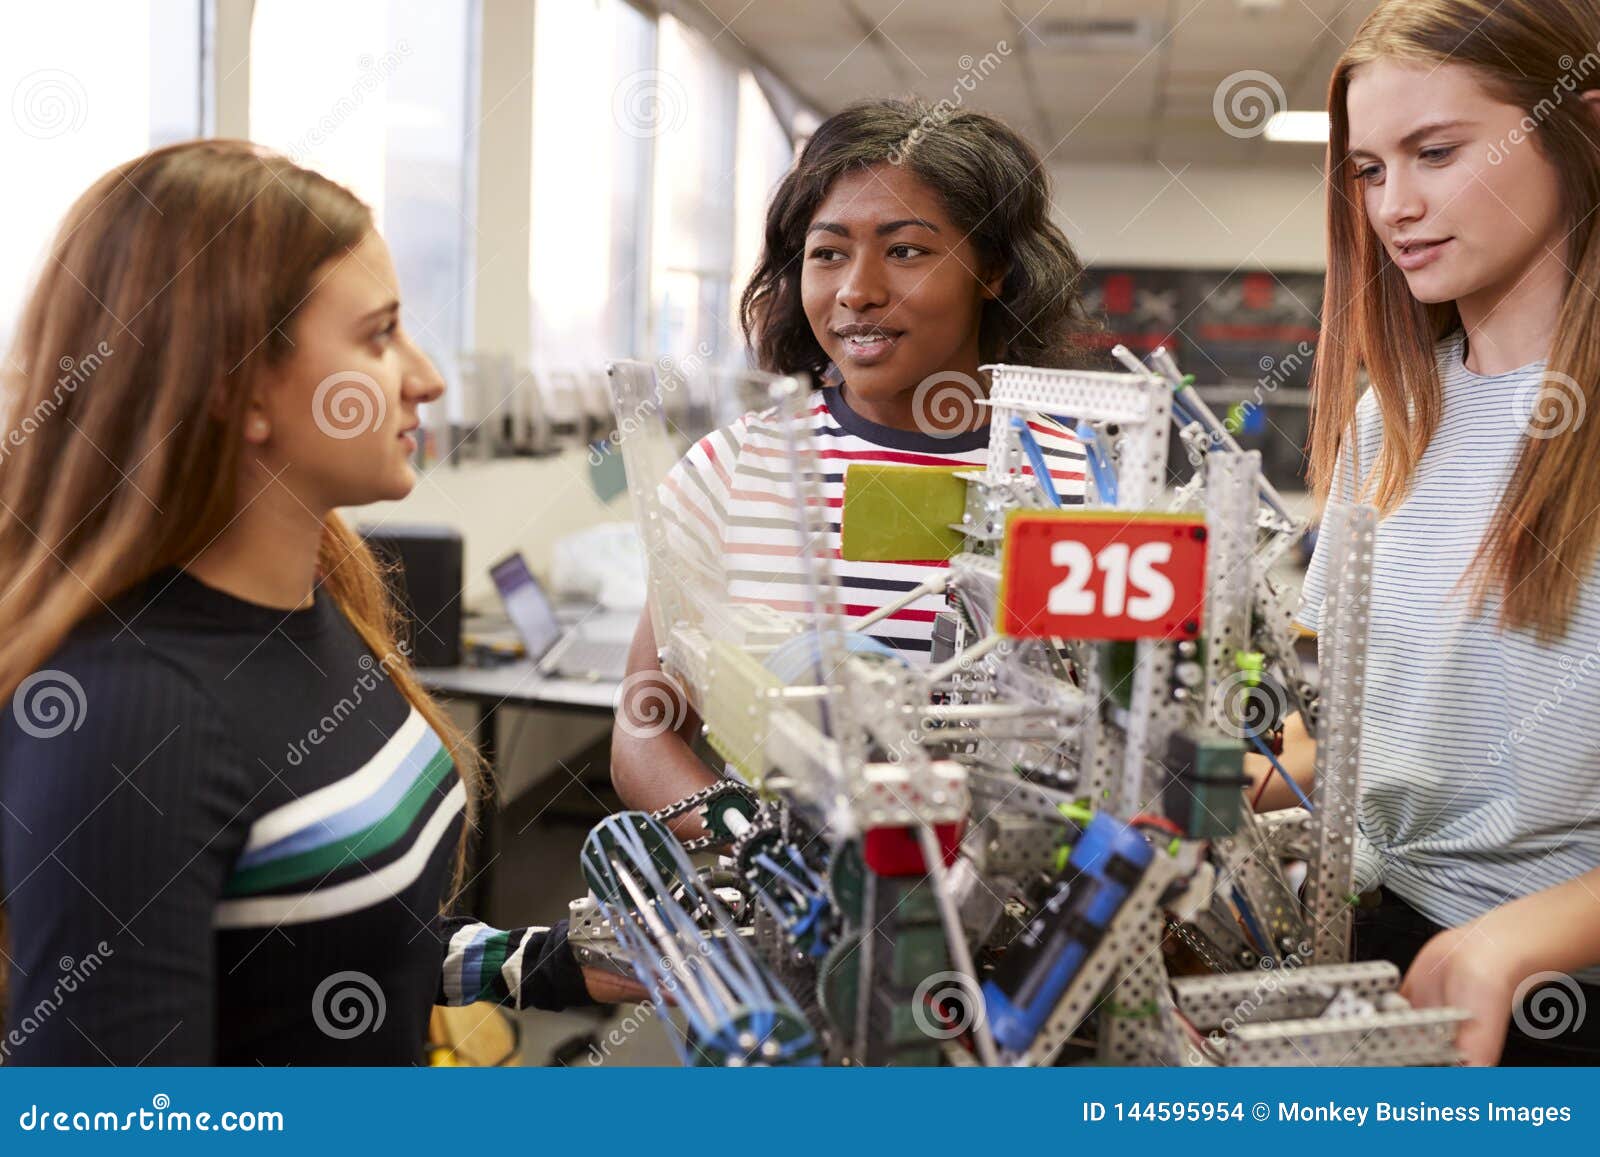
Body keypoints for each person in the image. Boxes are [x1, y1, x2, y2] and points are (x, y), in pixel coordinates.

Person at [0, 141, 637, 1065]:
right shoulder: (131, 717)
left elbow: (331, 950)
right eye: (378, 337)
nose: (425, 377)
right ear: (237, 386)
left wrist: (550, 963)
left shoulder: (323, 603)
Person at [1247, 0, 1600, 1065]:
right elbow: (1339, 726)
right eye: (1365, 170)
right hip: (1387, 941)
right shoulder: (1387, 420)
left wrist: (1525, 935)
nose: (1393, 206)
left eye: (1434, 153)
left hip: (1553, 988)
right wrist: (1186, 782)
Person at [611, 98, 1096, 825]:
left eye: (905, 251)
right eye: (828, 252)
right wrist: (763, 843)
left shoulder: (1085, 485)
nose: (857, 291)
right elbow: (644, 727)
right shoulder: (733, 470)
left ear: (991, 269)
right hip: (795, 913)